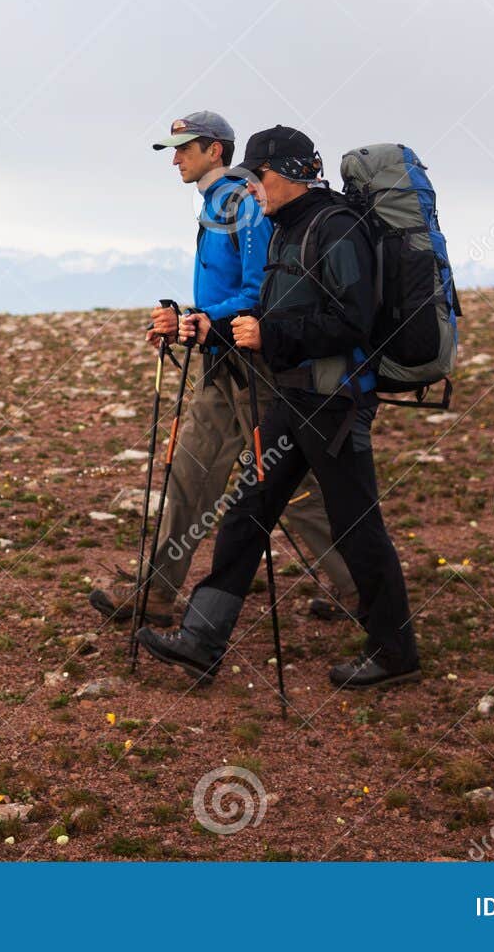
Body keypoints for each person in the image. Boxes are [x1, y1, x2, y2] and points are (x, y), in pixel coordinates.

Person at [135, 125, 421, 690]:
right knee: (244, 515)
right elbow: (261, 313)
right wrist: (199, 326)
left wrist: (270, 337)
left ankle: (396, 652)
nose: (253, 190)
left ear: (287, 173)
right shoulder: (287, 229)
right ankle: (201, 641)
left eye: (259, 178)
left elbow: (350, 323)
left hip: (337, 404)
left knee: (356, 525)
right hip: (294, 400)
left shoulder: (336, 229)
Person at [89, 111, 360, 630]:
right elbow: (229, 293)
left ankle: (360, 588)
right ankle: (158, 591)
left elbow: (259, 292)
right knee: (191, 472)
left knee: (288, 485)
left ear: (216, 150)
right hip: (223, 362)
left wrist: (201, 319)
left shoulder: (240, 202)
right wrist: (187, 318)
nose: (175, 159)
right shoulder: (219, 203)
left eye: (185, 149)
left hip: (254, 368)